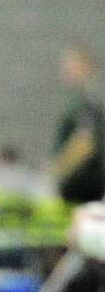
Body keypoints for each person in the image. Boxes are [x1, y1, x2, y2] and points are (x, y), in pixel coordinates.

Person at [51, 44, 105, 206]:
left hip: (82, 186)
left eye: (71, 65)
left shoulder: (88, 102)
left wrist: (56, 170)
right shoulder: (85, 100)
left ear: (86, 68)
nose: (65, 71)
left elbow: (84, 142)